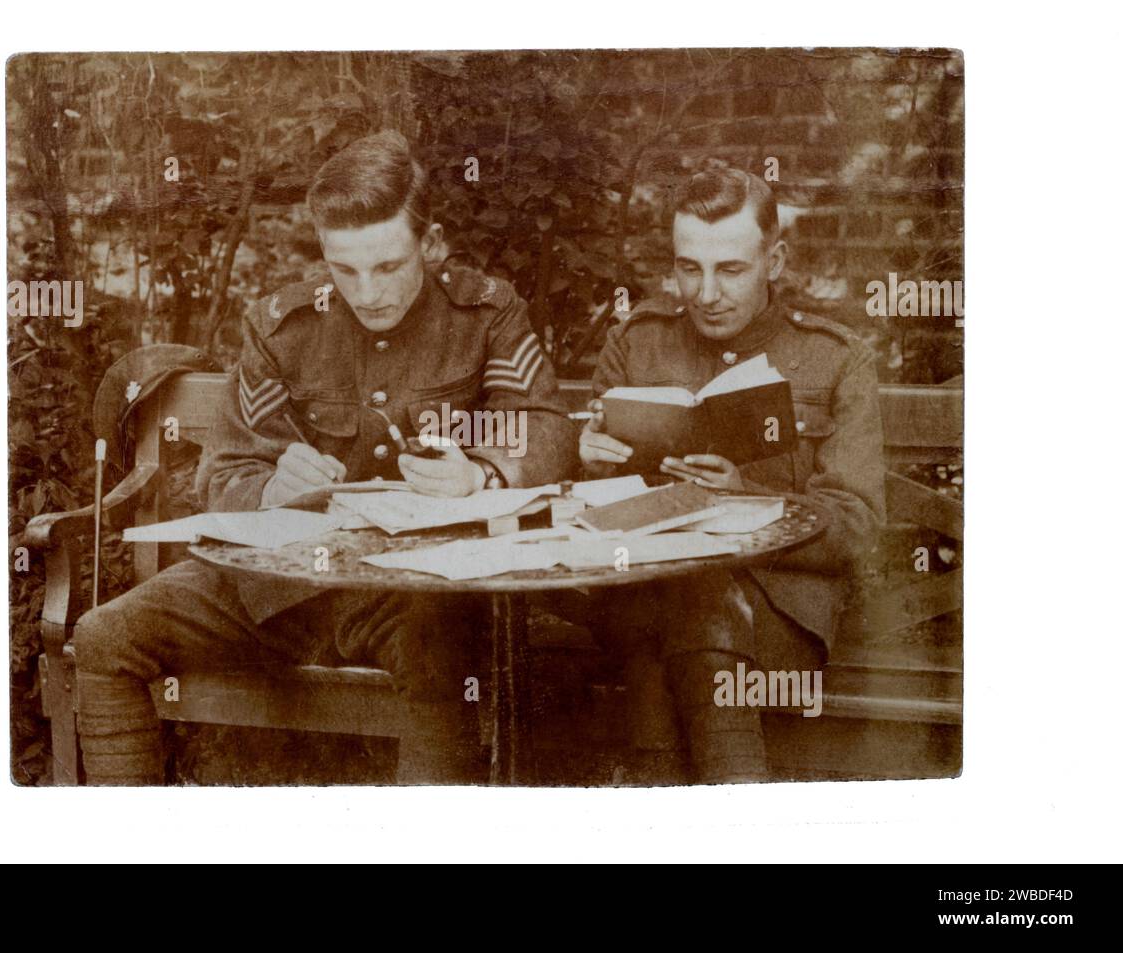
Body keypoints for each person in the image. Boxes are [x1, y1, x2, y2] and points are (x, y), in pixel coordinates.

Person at [74, 130, 573, 785]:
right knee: (104, 636)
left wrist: (477, 472)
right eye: (345, 269)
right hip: (281, 589)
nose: (367, 292)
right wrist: (272, 488)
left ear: (432, 242)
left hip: (415, 593)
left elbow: (546, 428)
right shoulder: (285, 324)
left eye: (389, 266)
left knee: (438, 645)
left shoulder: (484, 313)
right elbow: (225, 472)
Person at [578, 161, 886, 783]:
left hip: (779, 609)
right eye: (689, 268)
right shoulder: (640, 340)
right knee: (673, 604)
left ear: (774, 261)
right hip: (637, 593)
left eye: (731, 269)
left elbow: (857, 527)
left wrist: (748, 500)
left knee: (689, 606)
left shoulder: (833, 357)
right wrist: (585, 459)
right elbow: (580, 507)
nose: (706, 293)